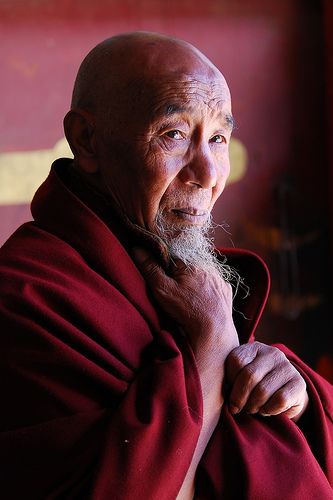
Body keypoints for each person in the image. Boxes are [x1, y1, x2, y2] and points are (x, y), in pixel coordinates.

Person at [0, 32, 332, 500]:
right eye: (174, 134)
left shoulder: (179, 272)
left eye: (218, 138)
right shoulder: (28, 294)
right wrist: (214, 342)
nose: (210, 175)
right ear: (87, 140)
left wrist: (289, 394)